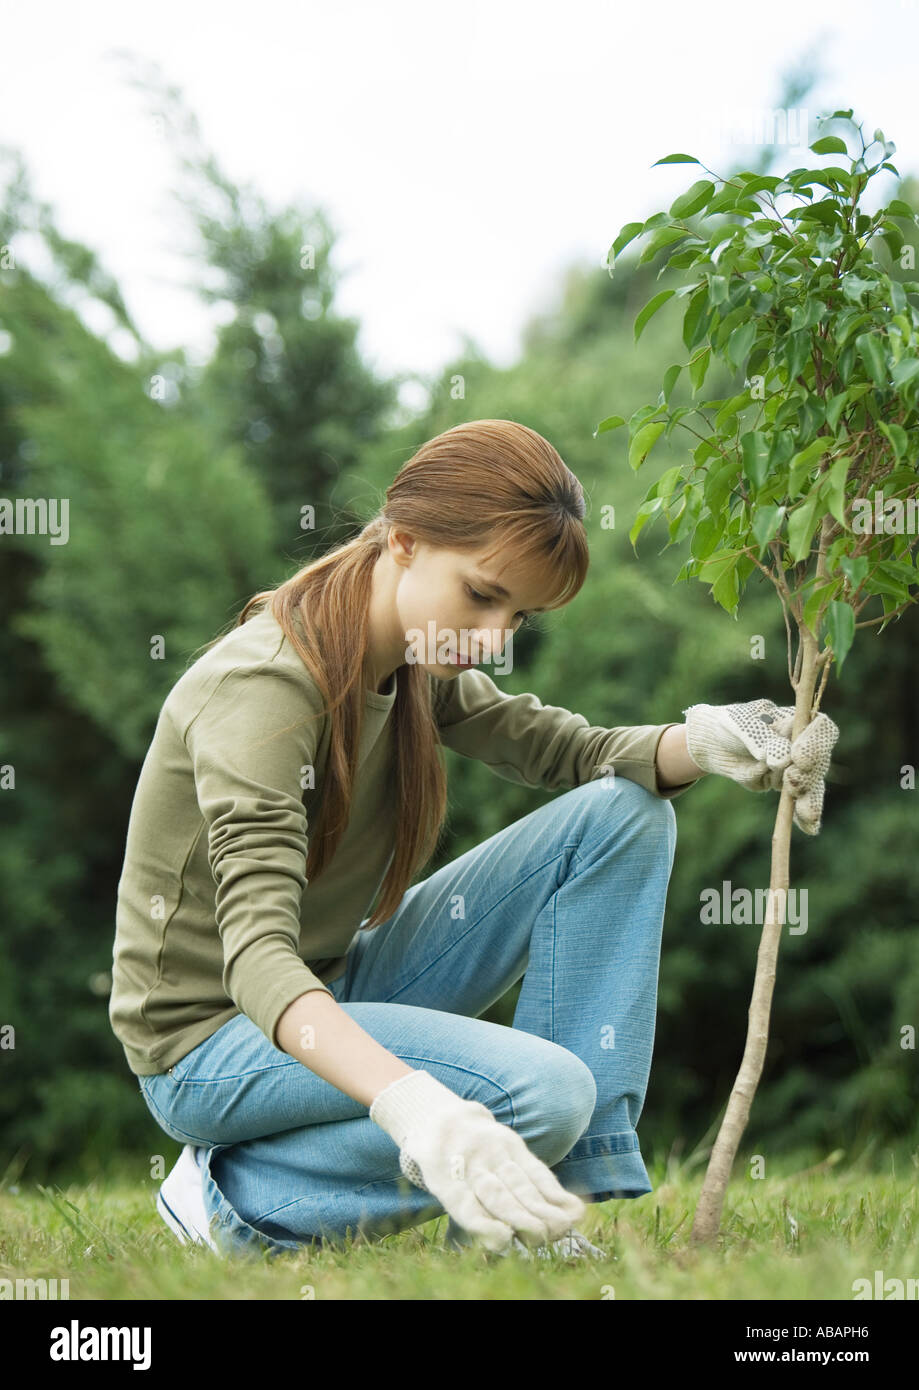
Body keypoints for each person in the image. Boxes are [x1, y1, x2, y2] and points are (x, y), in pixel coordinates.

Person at [109, 418, 837, 1261]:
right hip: (211, 1040)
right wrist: (416, 1106)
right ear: (405, 543)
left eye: (518, 616)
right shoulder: (264, 690)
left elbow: (569, 752)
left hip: (335, 981)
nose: (492, 638)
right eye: (482, 594)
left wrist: (713, 742)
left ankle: (546, 1200)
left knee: (624, 816)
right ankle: (235, 1197)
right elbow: (258, 961)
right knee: (544, 1091)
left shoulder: (414, 657)